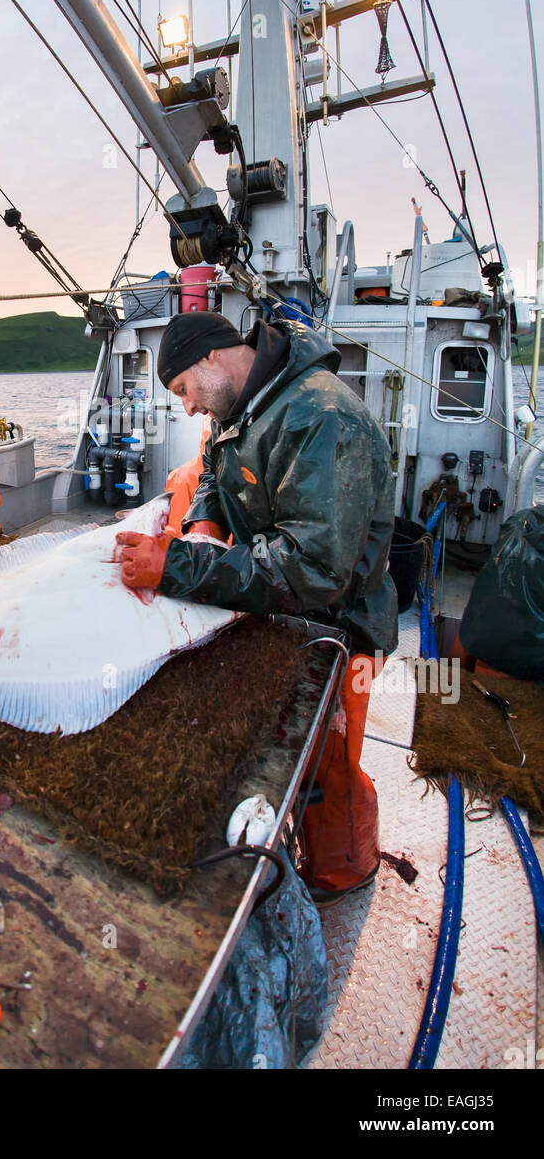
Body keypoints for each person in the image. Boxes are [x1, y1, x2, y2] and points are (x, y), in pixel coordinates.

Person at [117, 310, 398, 903]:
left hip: (339, 628)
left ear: (212, 357)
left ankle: (345, 873)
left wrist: (178, 566)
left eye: (184, 388)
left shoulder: (323, 417)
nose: (187, 406)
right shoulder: (239, 403)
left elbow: (314, 567)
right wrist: (203, 527)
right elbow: (214, 471)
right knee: (283, 753)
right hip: (281, 613)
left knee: (328, 766)